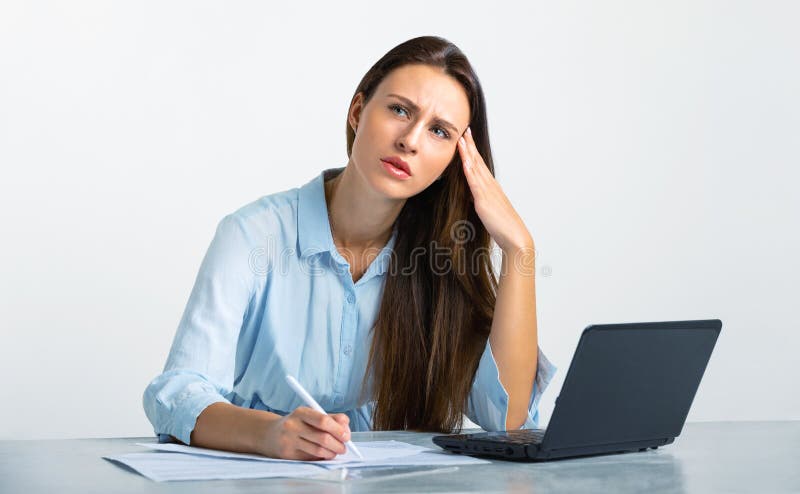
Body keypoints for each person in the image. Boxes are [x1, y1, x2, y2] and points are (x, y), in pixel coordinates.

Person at [143, 35, 557, 461]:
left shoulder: (441, 260)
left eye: (438, 131)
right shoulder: (252, 235)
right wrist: (270, 435)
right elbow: (177, 393)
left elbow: (509, 422)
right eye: (400, 110)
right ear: (358, 112)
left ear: (455, 158)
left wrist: (519, 251)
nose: (411, 140)